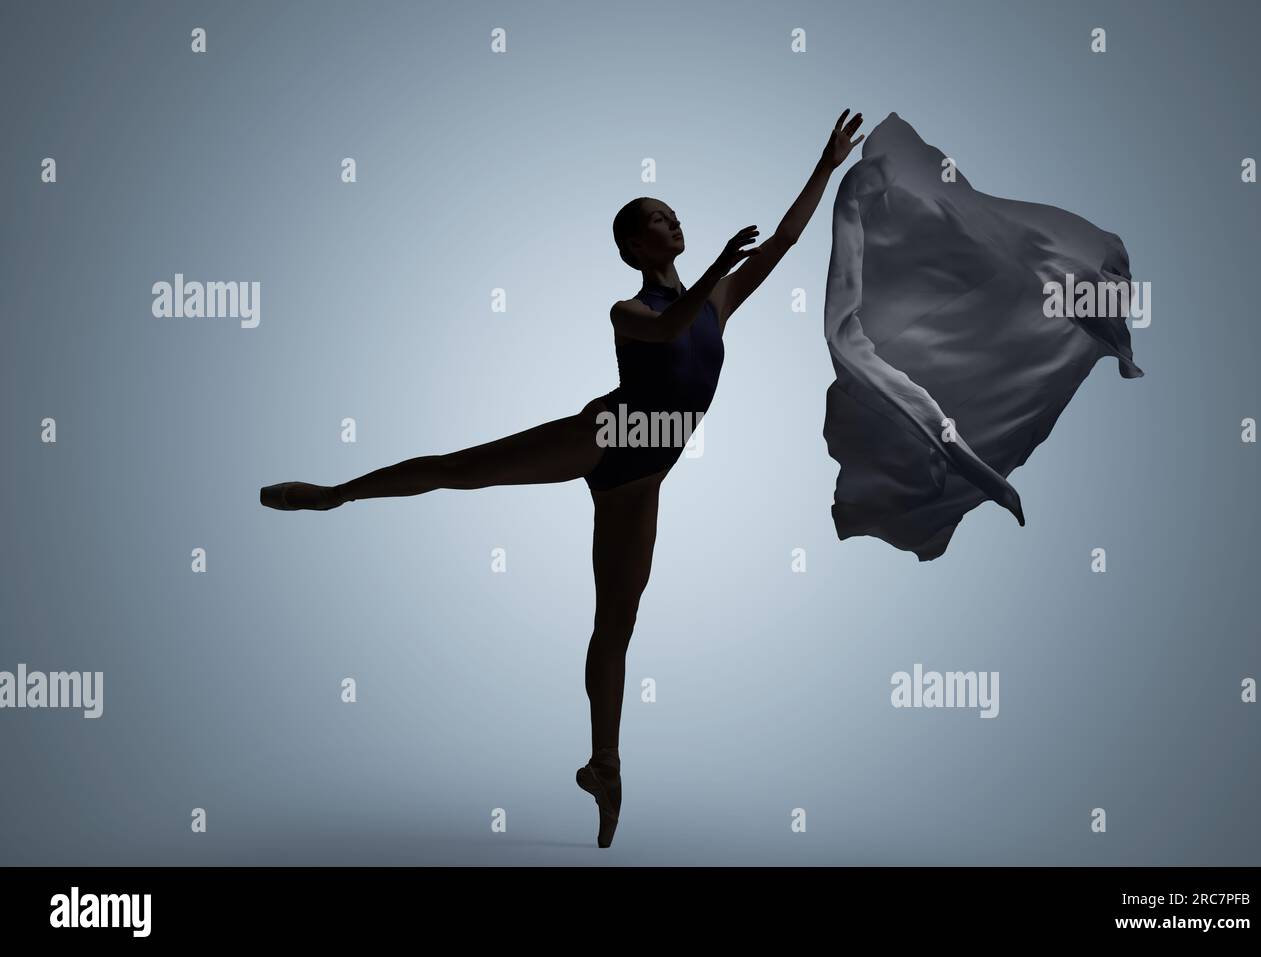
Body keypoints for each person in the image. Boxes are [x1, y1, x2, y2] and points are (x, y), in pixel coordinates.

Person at [260, 109, 866, 847]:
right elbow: (666, 332)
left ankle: (603, 764)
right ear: (631, 246)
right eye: (655, 218)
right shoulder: (630, 308)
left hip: (642, 480)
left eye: (672, 212)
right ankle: (337, 492)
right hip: (605, 436)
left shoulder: (718, 301)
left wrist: (825, 165)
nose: (671, 219)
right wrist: (715, 269)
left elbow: (787, 240)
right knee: (461, 470)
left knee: (615, 626)